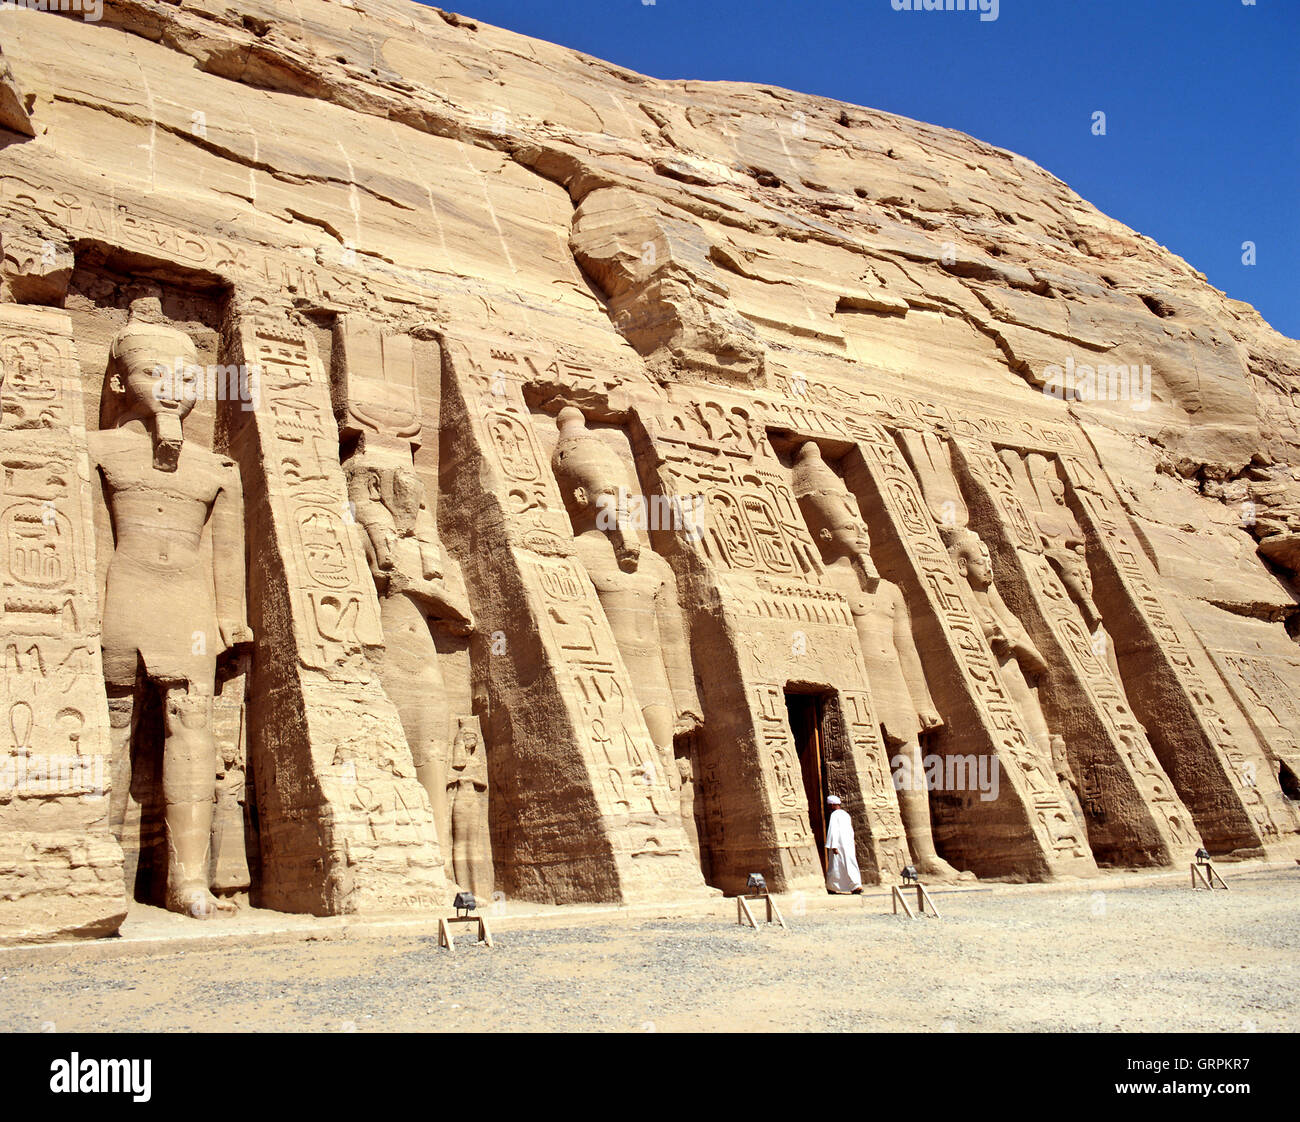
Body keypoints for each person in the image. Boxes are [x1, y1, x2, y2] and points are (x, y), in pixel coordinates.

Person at [824, 795, 863, 895]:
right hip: (848, 843)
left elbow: (833, 831)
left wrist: (833, 845)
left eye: (829, 806)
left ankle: (833, 887)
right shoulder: (846, 814)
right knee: (850, 863)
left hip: (838, 844)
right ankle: (855, 885)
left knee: (836, 865)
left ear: (832, 805)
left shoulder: (835, 815)